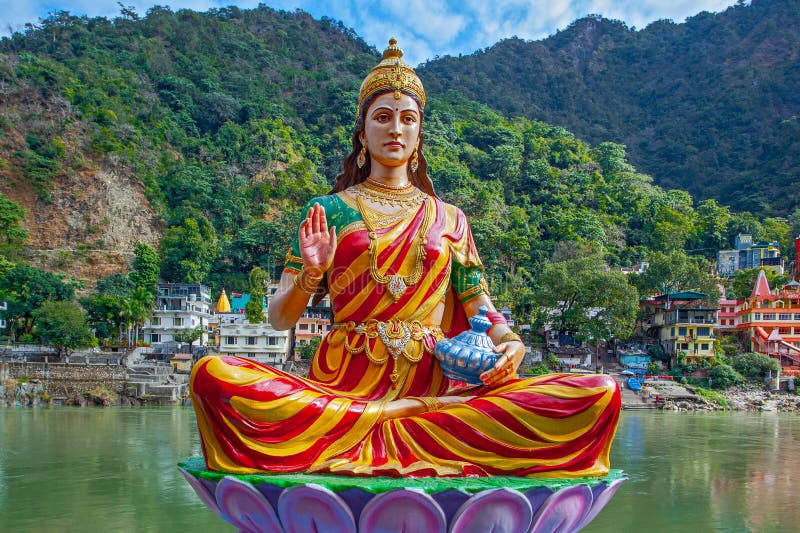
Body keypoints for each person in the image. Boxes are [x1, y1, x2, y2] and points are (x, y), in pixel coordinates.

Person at [191, 39, 621, 478]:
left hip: (438, 397)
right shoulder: (329, 209)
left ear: (418, 134)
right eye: (382, 117)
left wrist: (511, 345)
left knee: (600, 392)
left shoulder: (450, 218)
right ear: (363, 133)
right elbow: (279, 318)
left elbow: (482, 310)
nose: (395, 128)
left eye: (407, 119)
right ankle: (387, 427)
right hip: (343, 394)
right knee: (213, 374)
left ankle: (378, 433)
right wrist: (313, 273)